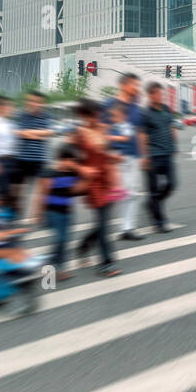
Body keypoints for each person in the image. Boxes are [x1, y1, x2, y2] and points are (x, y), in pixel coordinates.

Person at [73, 99, 121, 277]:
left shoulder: (104, 129)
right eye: (92, 115)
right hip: (93, 184)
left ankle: (84, 245)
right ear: (83, 116)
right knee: (103, 225)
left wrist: (113, 158)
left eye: (98, 114)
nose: (96, 118)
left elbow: (105, 153)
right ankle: (105, 263)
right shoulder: (79, 134)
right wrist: (81, 168)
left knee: (102, 223)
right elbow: (68, 159)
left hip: (107, 180)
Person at [30, 135, 87, 282]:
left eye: (74, 160)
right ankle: (52, 267)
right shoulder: (49, 173)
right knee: (60, 239)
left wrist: (78, 168)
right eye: (70, 160)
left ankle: (58, 267)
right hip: (53, 212)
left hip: (67, 211)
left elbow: (81, 186)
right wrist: (38, 214)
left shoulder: (73, 172)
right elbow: (42, 194)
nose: (73, 163)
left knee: (65, 240)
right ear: (62, 159)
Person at [103, 72, 144, 241]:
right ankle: (102, 224)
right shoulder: (109, 105)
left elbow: (139, 132)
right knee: (115, 193)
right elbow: (102, 130)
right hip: (115, 156)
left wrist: (142, 155)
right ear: (124, 85)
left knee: (133, 193)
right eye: (134, 85)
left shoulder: (136, 108)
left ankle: (128, 228)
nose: (137, 88)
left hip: (133, 156)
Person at [136, 81, 177, 233]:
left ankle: (151, 203)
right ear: (150, 95)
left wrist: (174, 145)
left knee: (171, 184)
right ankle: (159, 222)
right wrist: (144, 156)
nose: (162, 96)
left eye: (162, 94)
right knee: (153, 190)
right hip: (153, 156)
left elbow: (171, 127)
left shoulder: (166, 109)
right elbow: (141, 135)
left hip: (167, 154)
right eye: (159, 94)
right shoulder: (144, 113)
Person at [11, 91, 55, 221]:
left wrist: (28, 133)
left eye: (37, 101)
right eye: (31, 101)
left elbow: (49, 133)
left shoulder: (47, 117)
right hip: (22, 158)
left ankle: (38, 216)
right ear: (27, 102)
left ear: (42, 103)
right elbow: (18, 132)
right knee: (17, 190)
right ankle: (16, 213)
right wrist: (38, 135)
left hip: (40, 159)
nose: (34, 104)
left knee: (43, 189)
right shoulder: (21, 115)